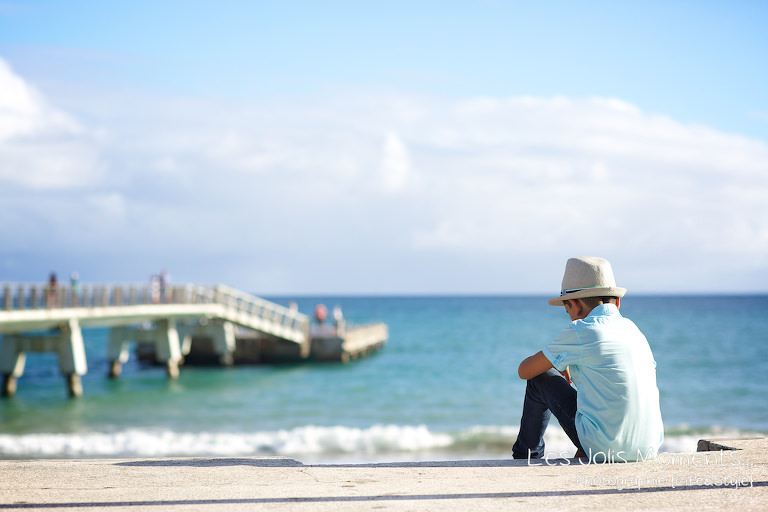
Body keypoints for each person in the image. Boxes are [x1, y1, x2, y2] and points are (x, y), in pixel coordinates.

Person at [512, 256, 663, 462]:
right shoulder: (634, 331)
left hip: (606, 447)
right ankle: (584, 450)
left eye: (567, 312)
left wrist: (554, 364)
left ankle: (526, 455)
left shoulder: (582, 330)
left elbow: (525, 370)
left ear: (574, 305)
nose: (570, 317)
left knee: (540, 377)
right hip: (648, 448)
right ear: (617, 303)